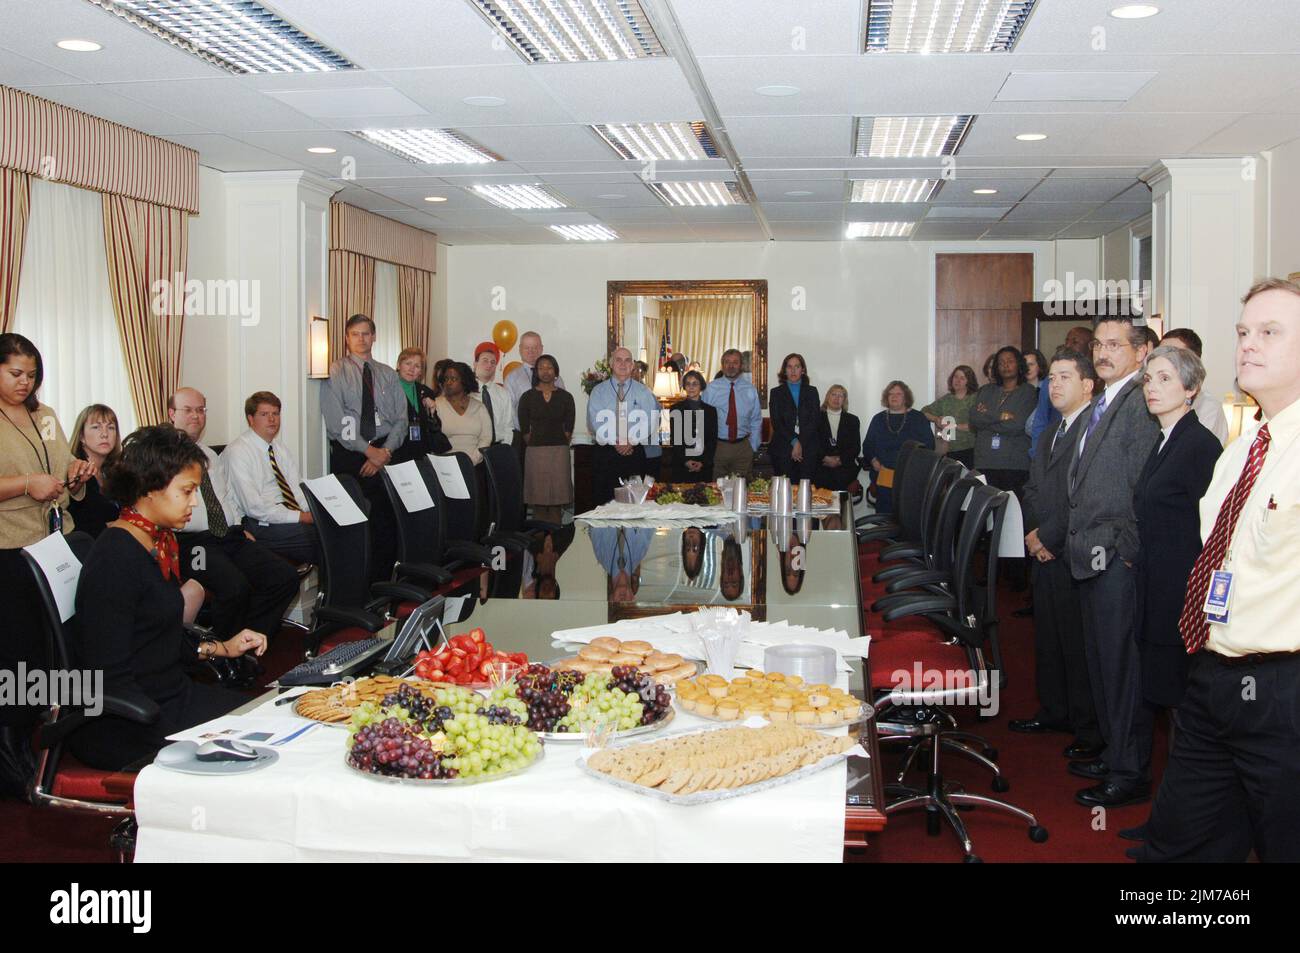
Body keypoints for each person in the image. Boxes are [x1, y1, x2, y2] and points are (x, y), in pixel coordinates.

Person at [1138, 284, 1300, 862]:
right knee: (1179, 848)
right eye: (1243, 332)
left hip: (1282, 690)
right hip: (1212, 674)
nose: (1248, 345)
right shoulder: (1243, 446)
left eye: (1270, 332)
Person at [69, 425, 266, 771]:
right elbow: (108, 673)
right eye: (187, 491)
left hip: (167, 694)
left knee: (267, 717)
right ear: (148, 488)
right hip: (128, 719)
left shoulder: (156, 543)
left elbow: (157, 637)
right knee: (259, 741)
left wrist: (222, 647)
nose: (194, 502)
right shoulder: (115, 559)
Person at [1118, 345, 1223, 845]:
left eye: (1163, 378)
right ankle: (1170, 826)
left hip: (1181, 597)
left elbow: (1215, 535)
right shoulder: (1166, 440)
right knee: (1165, 706)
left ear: (1191, 388)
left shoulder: (1199, 445)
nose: (1151, 386)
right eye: (1148, 379)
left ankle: (1181, 834)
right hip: (1155, 587)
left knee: (1184, 718)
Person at [1064, 315, 1160, 808]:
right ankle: (1110, 749)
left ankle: (1130, 771)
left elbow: (1143, 486)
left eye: (1115, 345)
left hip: (1115, 556)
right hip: (1088, 552)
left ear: (1141, 352)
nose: (1102, 352)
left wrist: (1125, 549)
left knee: (1121, 668)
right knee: (1100, 662)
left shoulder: (1140, 402)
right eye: (1098, 344)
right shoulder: (1103, 399)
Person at [0, 333, 96, 795]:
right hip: (9, 547)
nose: (24, 383)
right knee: (19, 652)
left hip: (52, 541)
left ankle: (56, 733)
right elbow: (28, 481)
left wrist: (77, 472)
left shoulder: (47, 416)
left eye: (32, 375)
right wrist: (23, 484)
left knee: (56, 646)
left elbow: (63, 466)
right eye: (15, 373)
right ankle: (10, 748)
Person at [1011, 349, 1102, 762]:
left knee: (1075, 641)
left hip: (1071, 550)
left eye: (1066, 377)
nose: (1055, 385)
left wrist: (1048, 537)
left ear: (1088, 385)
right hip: (1042, 546)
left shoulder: (1093, 431)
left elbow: (1083, 498)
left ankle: (1086, 726)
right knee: (1047, 637)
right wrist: (1033, 534)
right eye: (1051, 378)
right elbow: (1032, 489)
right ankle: (1054, 711)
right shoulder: (1049, 433)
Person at [169, 387, 299, 644]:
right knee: (234, 587)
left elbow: (225, 496)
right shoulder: (163, 456)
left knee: (284, 577)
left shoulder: (209, 455)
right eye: (188, 410)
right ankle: (225, 652)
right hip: (191, 544)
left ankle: (249, 640)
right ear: (172, 414)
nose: (196, 416)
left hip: (230, 536)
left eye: (200, 410)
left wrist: (239, 525)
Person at [321, 313, 407, 581]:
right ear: (347, 338)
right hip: (351, 455)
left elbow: (401, 419)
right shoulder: (335, 371)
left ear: (374, 337)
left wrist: (385, 453)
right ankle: (358, 588)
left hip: (386, 453)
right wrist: (369, 452)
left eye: (366, 333)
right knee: (356, 525)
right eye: (355, 334)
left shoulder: (387, 374)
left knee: (388, 524)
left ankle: (383, 585)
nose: (361, 339)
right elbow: (337, 423)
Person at [221, 391, 320, 565]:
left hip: (283, 515)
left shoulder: (278, 447)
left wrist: (314, 511)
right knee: (321, 538)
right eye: (264, 414)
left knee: (337, 526)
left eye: (275, 414)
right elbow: (254, 507)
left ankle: (340, 590)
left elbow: (296, 488)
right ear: (251, 419)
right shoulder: (238, 452)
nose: (272, 419)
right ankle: (335, 590)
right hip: (256, 522)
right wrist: (302, 517)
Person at [585, 347, 659, 507]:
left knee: (634, 506)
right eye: (618, 360)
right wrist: (617, 442)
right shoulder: (598, 391)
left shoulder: (644, 392)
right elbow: (595, 422)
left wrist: (630, 441)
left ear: (633, 365)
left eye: (627, 360)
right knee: (604, 505)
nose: (623, 364)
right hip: (606, 454)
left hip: (634, 453)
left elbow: (650, 421)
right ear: (611, 364)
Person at [969, 346, 1037, 496]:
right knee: (985, 515)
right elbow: (974, 419)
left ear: (1019, 364)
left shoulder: (1028, 392)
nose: (1005, 365)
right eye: (1001, 363)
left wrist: (987, 417)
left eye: (1010, 361)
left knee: (1011, 516)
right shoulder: (986, 390)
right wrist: (1002, 416)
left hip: (1014, 465)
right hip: (985, 462)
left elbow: (1018, 425)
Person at [517, 354, 574, 526]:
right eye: (541, 367)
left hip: (559, 452)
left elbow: (569, 427)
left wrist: (560, 438)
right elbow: (524, 428)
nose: (545, 371)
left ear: (555, 371)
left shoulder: (566, 397)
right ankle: (540, 542)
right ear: (536, 372)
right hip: (536, 452)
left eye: (549, 367)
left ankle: (556, 540)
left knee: (557, 500)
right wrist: (536, 440)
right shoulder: (527, 397)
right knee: (539, 500)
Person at [861, 381, 934, 513]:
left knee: (908, 519)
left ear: (906, 397)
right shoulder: (878, 419)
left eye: (898, 393)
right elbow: (867, 445)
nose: (894, 396)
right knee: (885, 520)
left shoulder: (918, 418)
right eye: (891, 394)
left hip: (910, 478)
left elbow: (929, 447)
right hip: (884, 475)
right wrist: (873, 461)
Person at [1029, 326, 1094, 457]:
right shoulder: (1050, 383)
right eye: (1067, 341)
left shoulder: (1099, 381)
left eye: (1075, 342)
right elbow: (1040, 421)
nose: (1068, 345)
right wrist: (1037, 455)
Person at [1159, 328, 1230, 446]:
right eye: (1160, 354)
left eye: (1172, 356)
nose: (1162, 361)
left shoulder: (1209, 408)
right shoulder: (1153, 401)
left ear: (1192, 363)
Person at [703, 348, 761, 480]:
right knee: (717, 490)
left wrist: (752, 446)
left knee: (741, 490)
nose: (731, 366)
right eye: (727, 362)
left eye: (735, 362)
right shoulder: (711, 389)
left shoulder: (750, 390)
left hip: (743, 448)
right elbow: (703, 420)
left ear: (741, 365)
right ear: (722, 365)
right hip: (718, 447)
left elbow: (756, 420)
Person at [68, 403, 123, 538]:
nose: (104, 434)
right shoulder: (74, 471)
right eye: (96, 427)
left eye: (111, 428)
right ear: (81, 436)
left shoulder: (116, 473)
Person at [768, 353, 820, 482]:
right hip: (783, 449)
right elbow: (777, 422)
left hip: (807, 449)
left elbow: (814, 420)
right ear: (784, 370)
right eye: (789, 367)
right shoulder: (776, 393)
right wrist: (794, 441)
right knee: (785, 493)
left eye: (797, 366)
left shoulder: (812, 391)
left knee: (806, 493)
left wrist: (800, 442)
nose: (793, 370)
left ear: (802, 370)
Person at [393, 347, 450, 458]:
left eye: (417, 366)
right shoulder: (387, 390)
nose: (412, 369)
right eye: (408, 363)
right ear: (399, 365)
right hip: (395, 452)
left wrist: (431, 413)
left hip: (421, 453)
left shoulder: (426, 391)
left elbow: (435, 426)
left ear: (420, 372)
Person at [434, 361, 493, 464]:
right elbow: (433, 439)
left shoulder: (479, 407)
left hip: (475, 464)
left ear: (464, 381)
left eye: (453, 379)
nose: (448, 382)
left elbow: (486, 438)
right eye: (446, 379)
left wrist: (472, 460)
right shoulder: (436, 405)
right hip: (445, 465)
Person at [921, 366, 978, 468]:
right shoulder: (946, 400)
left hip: (971, 451)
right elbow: (924, 412)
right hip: (949, 451)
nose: (957, 381)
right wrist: (936, 420)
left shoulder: (975, 399)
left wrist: (955, 426)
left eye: (962, 378)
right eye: (955, 377)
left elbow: (978, 423)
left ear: (969, 381)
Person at [670, 370, 717, 482]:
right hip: (681, 465)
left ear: (701, 386)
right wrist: (686, 461)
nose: (691, 387)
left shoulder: (711, 411)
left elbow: (712, 440)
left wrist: (703, 462)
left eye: (695, 383)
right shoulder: (676, 409)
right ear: (684, 387)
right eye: (688, 384)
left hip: (703, 466)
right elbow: (676, 440)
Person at [814, 384, 861, 491]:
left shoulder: (853, 420)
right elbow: (813, 443)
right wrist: (825, 458)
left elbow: (855, 447)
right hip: (822, 466)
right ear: (827, 397)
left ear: (844, 400)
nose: (836, 398)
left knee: (841, 494)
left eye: (841, 396)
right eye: (833, 394)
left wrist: (839, 460)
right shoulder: (816, 418)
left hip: (844, 468)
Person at [472, 342, 514, 446]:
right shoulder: (467, 392)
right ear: (475, 364)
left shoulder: (503, 393)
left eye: (493, 362)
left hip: (497, 448)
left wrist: (505, 448)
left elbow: (508, 426)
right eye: (485, 361)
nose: (489, 365)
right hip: (473, 447)